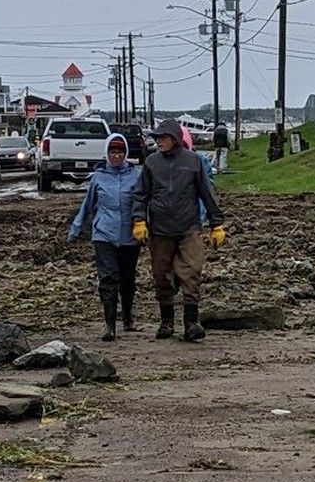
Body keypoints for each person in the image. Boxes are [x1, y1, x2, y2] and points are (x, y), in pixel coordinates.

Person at [132, 119, 226, 342]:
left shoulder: (194, 161)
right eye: (156, 138)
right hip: (160, 230)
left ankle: (191, 322)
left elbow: (206, 192)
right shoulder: (152, 163)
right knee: (161, 275)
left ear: (174, 138)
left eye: (162, 138)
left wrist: (216, 224)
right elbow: (141, 194)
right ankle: (166, 322)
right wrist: (139, 220)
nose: (158, 141)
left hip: (188, 228)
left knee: (191, 272)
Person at [67, 133, 143, 341]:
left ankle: (127, 318)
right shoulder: (99, 177)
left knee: (127, 279)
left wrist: (148, 227)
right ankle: (109, 324)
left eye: (120, 152)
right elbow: (88, 205)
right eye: (113, 151)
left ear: (126, 153)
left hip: (130, 235)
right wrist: (76, 228)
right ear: (107, 153)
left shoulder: (136, 176)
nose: (116, 156)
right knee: (108, 278)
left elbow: (144, 202)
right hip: (104, 234)